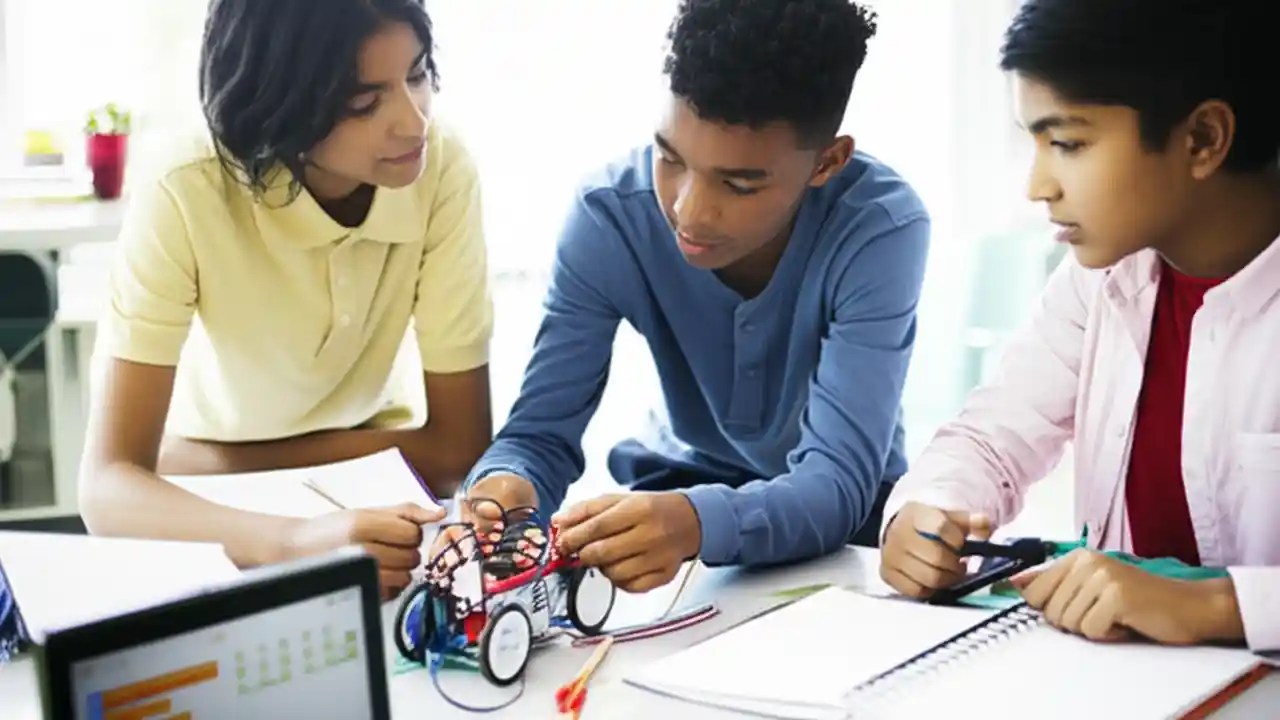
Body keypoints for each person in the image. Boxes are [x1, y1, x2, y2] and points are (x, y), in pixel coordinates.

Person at [454, 0, 930, 593]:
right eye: (670, 157)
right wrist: (505, 486)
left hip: (845, 525)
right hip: (673, 487)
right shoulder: (609, 216)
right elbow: (537, 438)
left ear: (827, 163)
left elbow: (837, 484)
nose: (688, 211)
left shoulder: (879, 228)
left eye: (738, 184)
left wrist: (696, 524)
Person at [879, 0, 1280, 651]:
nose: (1037, 185)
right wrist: (926, 512)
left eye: (1067, 143)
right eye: (1034, 142)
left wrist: (1213, 606)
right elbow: (991, 435)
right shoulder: (1101, 280)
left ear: (1203, 139)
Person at [78, 0, 494, 598]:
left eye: (418, 74)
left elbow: (459, 450)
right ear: (278, 105)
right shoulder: (185, 186)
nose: (414, 122)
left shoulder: (442, 168)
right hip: (220, 518)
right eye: (364, 102)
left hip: (359, 496)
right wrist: (297, 541)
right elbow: (106, 487)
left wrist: (188, 461)